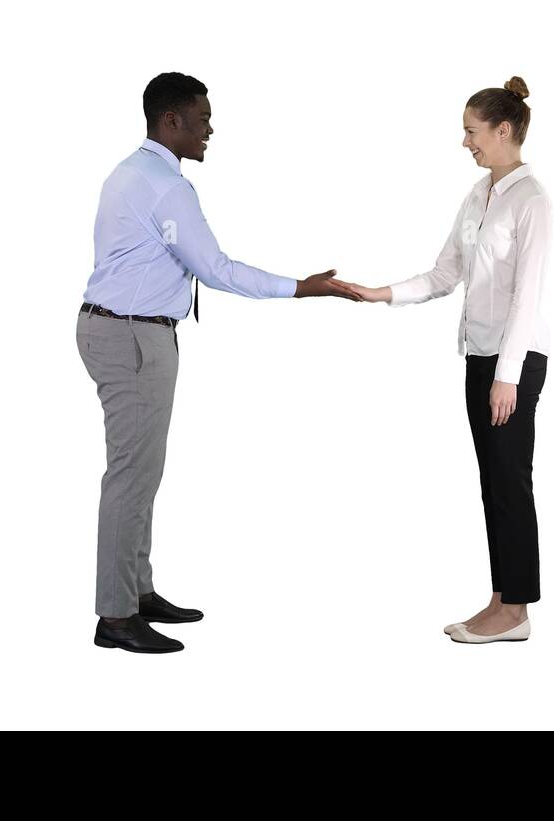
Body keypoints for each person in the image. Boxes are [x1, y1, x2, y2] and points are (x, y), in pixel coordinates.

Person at [77, 72, 361, 654]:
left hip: (122, 330)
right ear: (171, 121)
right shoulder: (165, 186)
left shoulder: (133, 170)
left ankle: (137, 591)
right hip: (132, 338)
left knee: (140, 473)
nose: (211, 129)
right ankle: (115, 616)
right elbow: (218, 269)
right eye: (203, 118)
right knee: (131, 478)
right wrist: (300, 288)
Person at [345, 76, 552, 645]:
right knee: (493, 482)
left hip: (514, 362)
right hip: (479, 357)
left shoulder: (532, 201)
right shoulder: (478, 197)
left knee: (511, 481)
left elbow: (527, 295)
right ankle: (501, 601)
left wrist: (507, 377)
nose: (465, 142)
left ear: (503, 130)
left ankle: (516, 612)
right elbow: (444, 274)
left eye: (471, 130)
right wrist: (380, 293)